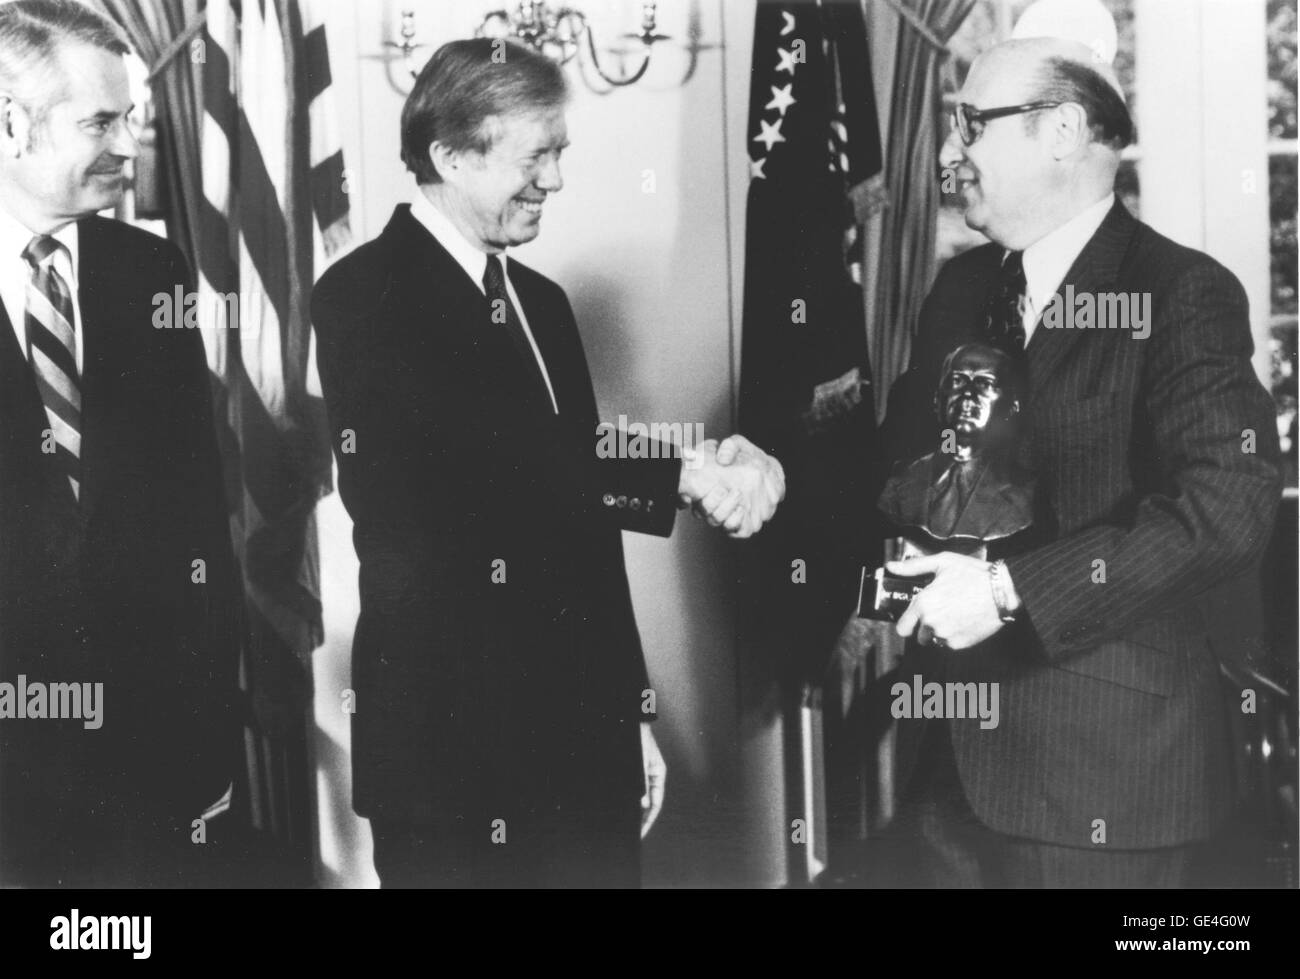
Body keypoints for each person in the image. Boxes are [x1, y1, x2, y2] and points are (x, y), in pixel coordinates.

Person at [310, 38, 785, 888]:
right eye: (537, 155)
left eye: (559, 153)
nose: (556, 180)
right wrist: (682, 472)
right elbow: (477, 471)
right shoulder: (362, 297)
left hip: (581, 744)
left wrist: (630, 712)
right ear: (452, 155)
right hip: (450, 760)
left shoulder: (541, 302)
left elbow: (581, 517)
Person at [872, 37, 1281, 888]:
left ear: (1061, 131)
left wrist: (1002, 591)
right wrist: (748, 469)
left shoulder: (1181, 293)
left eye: (972, 124)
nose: (949, 152)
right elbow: (898, 466)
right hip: (944, 769)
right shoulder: (959, 290)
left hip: (1110, 787)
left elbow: (1228, 507)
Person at [0, 0, 239, 887]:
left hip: (144, 771)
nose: (131, 147)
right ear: (10, 122)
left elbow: (198, 524)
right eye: (102, 120)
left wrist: (210, 739)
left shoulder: (152, 273)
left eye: (130, 118)